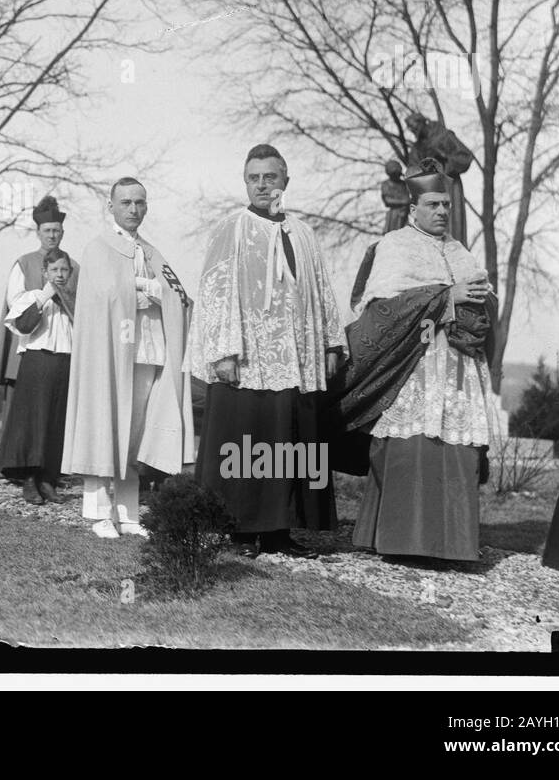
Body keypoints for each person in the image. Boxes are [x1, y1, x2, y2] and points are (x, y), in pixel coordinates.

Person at [191, 144, 345, 559]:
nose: (262, 184)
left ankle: (279, 531)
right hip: (247, 360)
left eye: (270, 177)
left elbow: (321, 291)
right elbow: (216, 292)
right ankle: (240, 533)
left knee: (289, 445)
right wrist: (223, 352)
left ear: (285, 181)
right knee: (246, 445)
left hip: (295, 358)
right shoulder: (232, 228)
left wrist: (331, 342)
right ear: (245, 182)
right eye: (254, 177)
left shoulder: (304, 234)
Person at [339, 158, 497, 563]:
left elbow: (480, 297)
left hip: (459, 369)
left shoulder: (460, 250)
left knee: (456, 447)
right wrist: (447, 297)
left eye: (446, 204)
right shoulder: (394, 247)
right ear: (413, 209)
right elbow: (381, 311)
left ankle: (452, 545)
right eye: (433, 205)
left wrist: (478, 303)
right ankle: (401, 540)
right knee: (412, 444)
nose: (442, 211)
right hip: (412, 366)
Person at [61, 177, 195, 538]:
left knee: (135, 433)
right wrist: (143, 292)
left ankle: (128, 512)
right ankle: (98, 512)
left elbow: (180, 296)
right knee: (106, 425)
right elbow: (101, 298)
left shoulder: (153, 252)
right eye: (125, 203)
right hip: (110, 354)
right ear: (111, 207)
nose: (133, 209)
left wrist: (151, 289)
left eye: (139, 202)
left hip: (149, 350)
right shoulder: (97, 249)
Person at [0, 195, 78, 426]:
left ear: (63, 233)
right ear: (38, 232)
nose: (52, 235)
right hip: (29, 343)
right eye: (47, 230)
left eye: (57, 231)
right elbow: (15, 302)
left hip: (64, 347)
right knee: (22, 415)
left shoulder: (74, 267)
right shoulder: (24, 263)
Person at [0, 248, 74, 504]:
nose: (59, 275)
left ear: (70, 273)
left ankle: (49, 480)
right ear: (44, 272)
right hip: (37, 362)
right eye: (54, 270)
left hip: (66, 362)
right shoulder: (32, 296)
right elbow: (22, 326)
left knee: (57, 422)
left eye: (64, 270)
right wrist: (44, 298)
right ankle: (29, 479)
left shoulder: (75, 299)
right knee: (34, 421)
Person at [407, 112, 474, 243]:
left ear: (422, 122)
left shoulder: (444, 136)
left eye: (414, 126)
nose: (412, 130)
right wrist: (423, 170)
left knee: (451, 225)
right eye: (410, 128)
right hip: (428, 191)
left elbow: (465, 156)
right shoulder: (417, 148)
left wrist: (443, 158)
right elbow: (411, 171)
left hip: (448, 186)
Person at [380, 159, 410, 232]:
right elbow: (387, 200)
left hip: (405, 212)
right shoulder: (386, 184)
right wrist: (403, 201)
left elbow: (408, 196)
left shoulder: (404, 184)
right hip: (394, 214)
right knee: (393, 233)